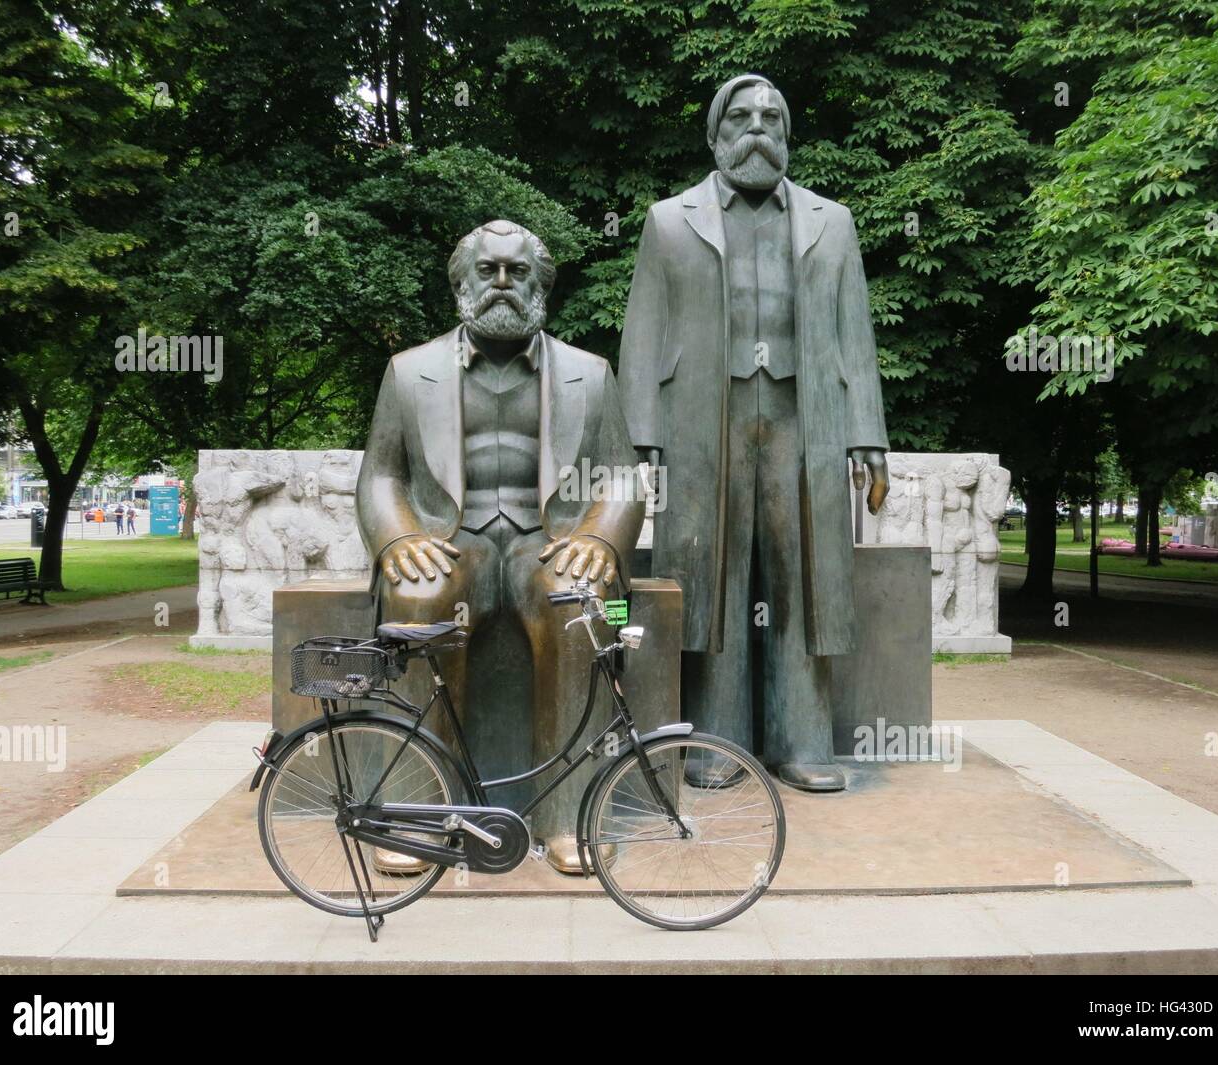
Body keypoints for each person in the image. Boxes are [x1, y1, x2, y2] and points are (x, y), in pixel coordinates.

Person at [618, 74, 891, 792]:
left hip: (808, 422)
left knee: (804, 580)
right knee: (715, 577)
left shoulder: (833, 221)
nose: (757, 129)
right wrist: (639, 435)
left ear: (789, 136)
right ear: (714, 137)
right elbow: (644, 329)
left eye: (772, 117)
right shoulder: (668, 221)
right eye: (739, 118)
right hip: (706, 421)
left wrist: (868, 433)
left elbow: (854, 333)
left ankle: (803, 740)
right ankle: (717, 740)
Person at [356, 219, 644, 873]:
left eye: (520, 272)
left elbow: (625, 478)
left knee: (583, 604)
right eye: (489, 270)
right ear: (461, 282)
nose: (504, 284)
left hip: (550, 540)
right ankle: (415, 816)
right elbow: (379, 476)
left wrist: (600, 536)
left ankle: (571, 817)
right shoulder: (408, 373)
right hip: (451, 540)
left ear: (542, 285)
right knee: (420, 595)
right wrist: (399, 535)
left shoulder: (591, 375)